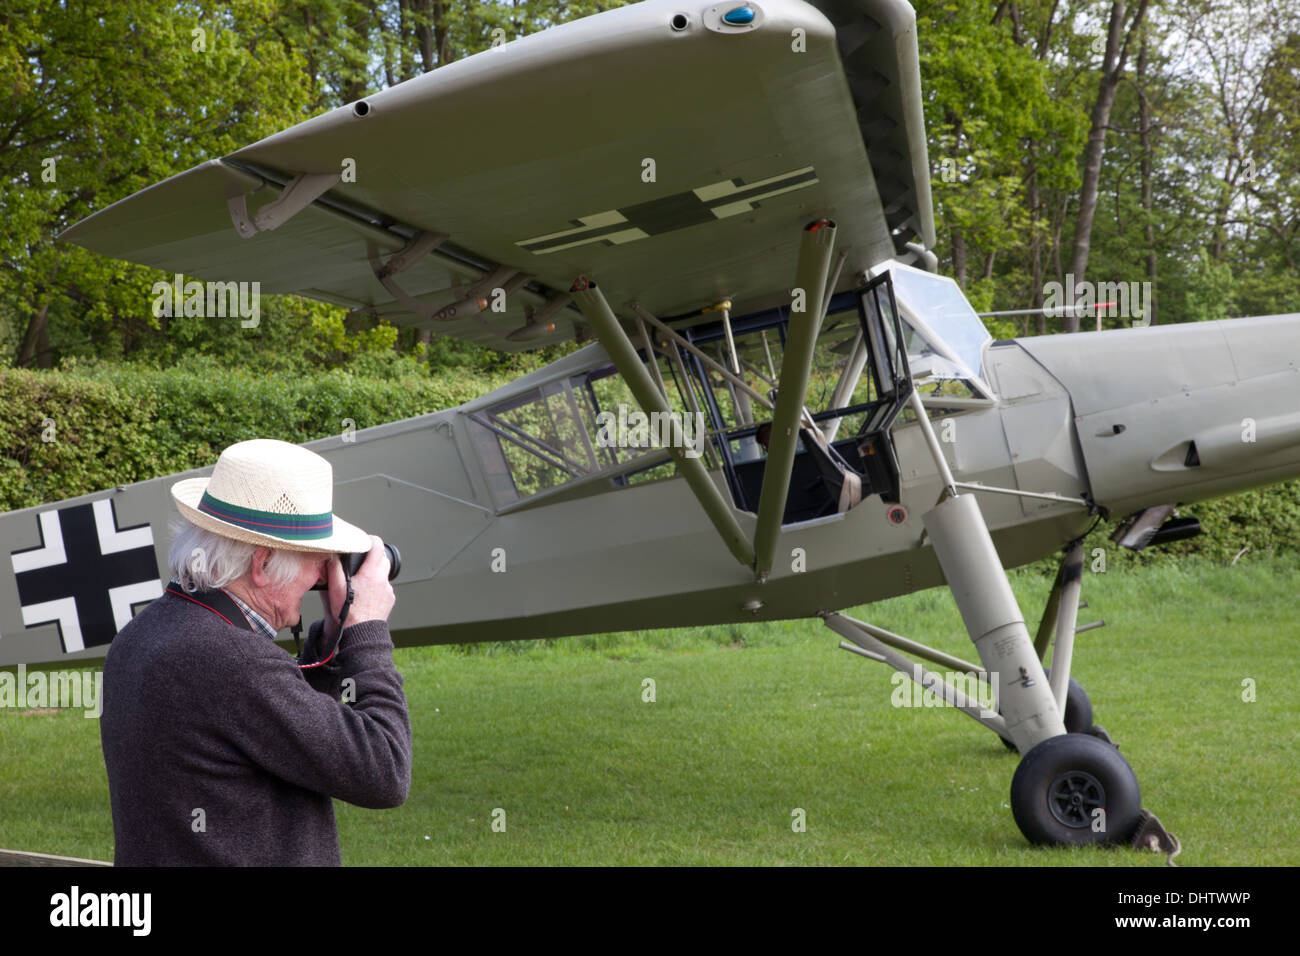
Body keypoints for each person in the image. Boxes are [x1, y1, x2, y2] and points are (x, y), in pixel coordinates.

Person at [100, 438, 411, 865]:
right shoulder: (229, 661)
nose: (324, 574)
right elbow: (385, 770)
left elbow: (271, 727)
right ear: (263, 565)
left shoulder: (146, 633)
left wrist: (333, 636)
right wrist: (367, 630)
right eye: (317, 558)